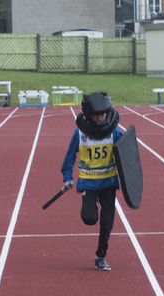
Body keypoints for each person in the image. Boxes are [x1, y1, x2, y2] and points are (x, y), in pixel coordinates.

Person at [60, 91, 123, 271]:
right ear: (89, 115)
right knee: (89, 218)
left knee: (107, 222)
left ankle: (100, 256)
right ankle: (87, 200)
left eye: (104, 114)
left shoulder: (114, 132)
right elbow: (69, 157)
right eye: (97, 116)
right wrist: (67, 177)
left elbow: (126, 156)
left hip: (108, 183)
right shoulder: (80, 134)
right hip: (89, 183)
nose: (102, 118)